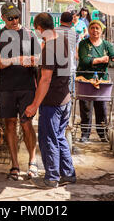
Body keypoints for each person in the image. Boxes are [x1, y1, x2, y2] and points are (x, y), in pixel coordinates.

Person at [0, 2, 41, 181]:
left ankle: (32, 161)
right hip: (6, 87)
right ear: (3, 18)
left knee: (27, 123)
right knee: (10, 124)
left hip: (27, 86)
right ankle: (14, 164)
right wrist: (17, 59)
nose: (14, 20)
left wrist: (32, 60)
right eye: (10, 18)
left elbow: (38, 58)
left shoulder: (29, 35)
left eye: (17, 17)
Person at [25, 12, 76, 189]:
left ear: (39, 28)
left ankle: (52, 177)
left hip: (52, 101)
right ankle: (68, 174)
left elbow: (45, 80)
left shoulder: (50, 47)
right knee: (59, 137)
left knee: (48, 139)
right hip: (64, 98)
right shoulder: (61, 39)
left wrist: (34, 105)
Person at [76, 20, 114, 142]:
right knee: (86, 107)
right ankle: (85, 134)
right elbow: (84, 60)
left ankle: (102, 134)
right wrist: (100, 60)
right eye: (92, 28)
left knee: (101, 107)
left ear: (101, 31)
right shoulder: (83, 44)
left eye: (97, 28)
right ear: (89, 30)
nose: (94, 30)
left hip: (102, 80)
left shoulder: (107, 45)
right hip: (85, 79)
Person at [55, 11, 79, 95]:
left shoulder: (53, 32)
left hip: (55, 67)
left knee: (56, 92)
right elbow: (75, 51)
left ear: (60, 20)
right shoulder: (75, 34)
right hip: (69, 67)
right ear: (71, 21)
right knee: (68, 93)